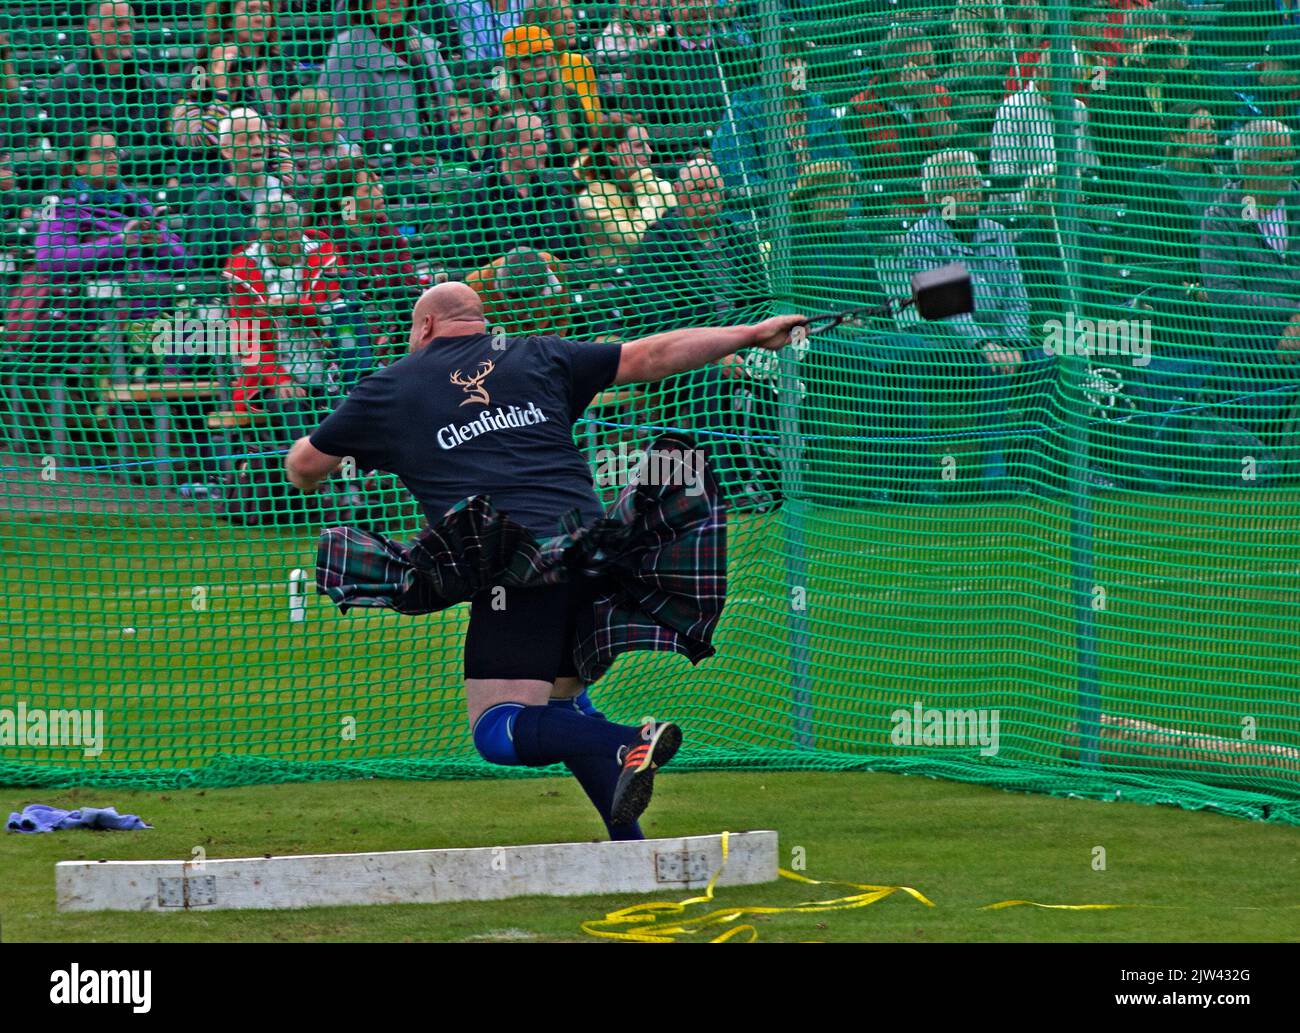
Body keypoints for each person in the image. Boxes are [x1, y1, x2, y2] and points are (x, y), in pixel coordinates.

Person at [285, 280, 807, 836]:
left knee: (497, 729)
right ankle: (631, 852)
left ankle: (629, 742)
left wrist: (360, 450)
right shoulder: (538, 352)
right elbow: (651, 354)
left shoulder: (390, 386)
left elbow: (302, 467)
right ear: (479, 321)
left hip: (518, 565)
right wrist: (750, 334)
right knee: (561, 703)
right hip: (594, 547)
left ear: (427, 327)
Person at [46, 2, 177, 180]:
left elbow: (168, 147)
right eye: (117, 24)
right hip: (93, 193)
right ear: (92, 28)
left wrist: (171, 180)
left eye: (130, 24)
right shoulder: (66, 86)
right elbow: (71, 156)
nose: (126, 32)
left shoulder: (151, 85)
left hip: (149, 185)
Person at [318, 0, 455, 165]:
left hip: (440, 167)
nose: (394, 2)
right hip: (383, 176)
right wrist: (403, 155)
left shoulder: (425, 45)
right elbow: (342, 136)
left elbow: (450, 111)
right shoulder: (348, 49)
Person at [573, 114, 675, 265]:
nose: (649, 152)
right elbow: (641, 240)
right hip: (615, 283)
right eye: (639, 145)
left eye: (648, 144)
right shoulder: (589, 201)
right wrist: (641, 180)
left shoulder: (660, 186)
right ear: (612, 152)